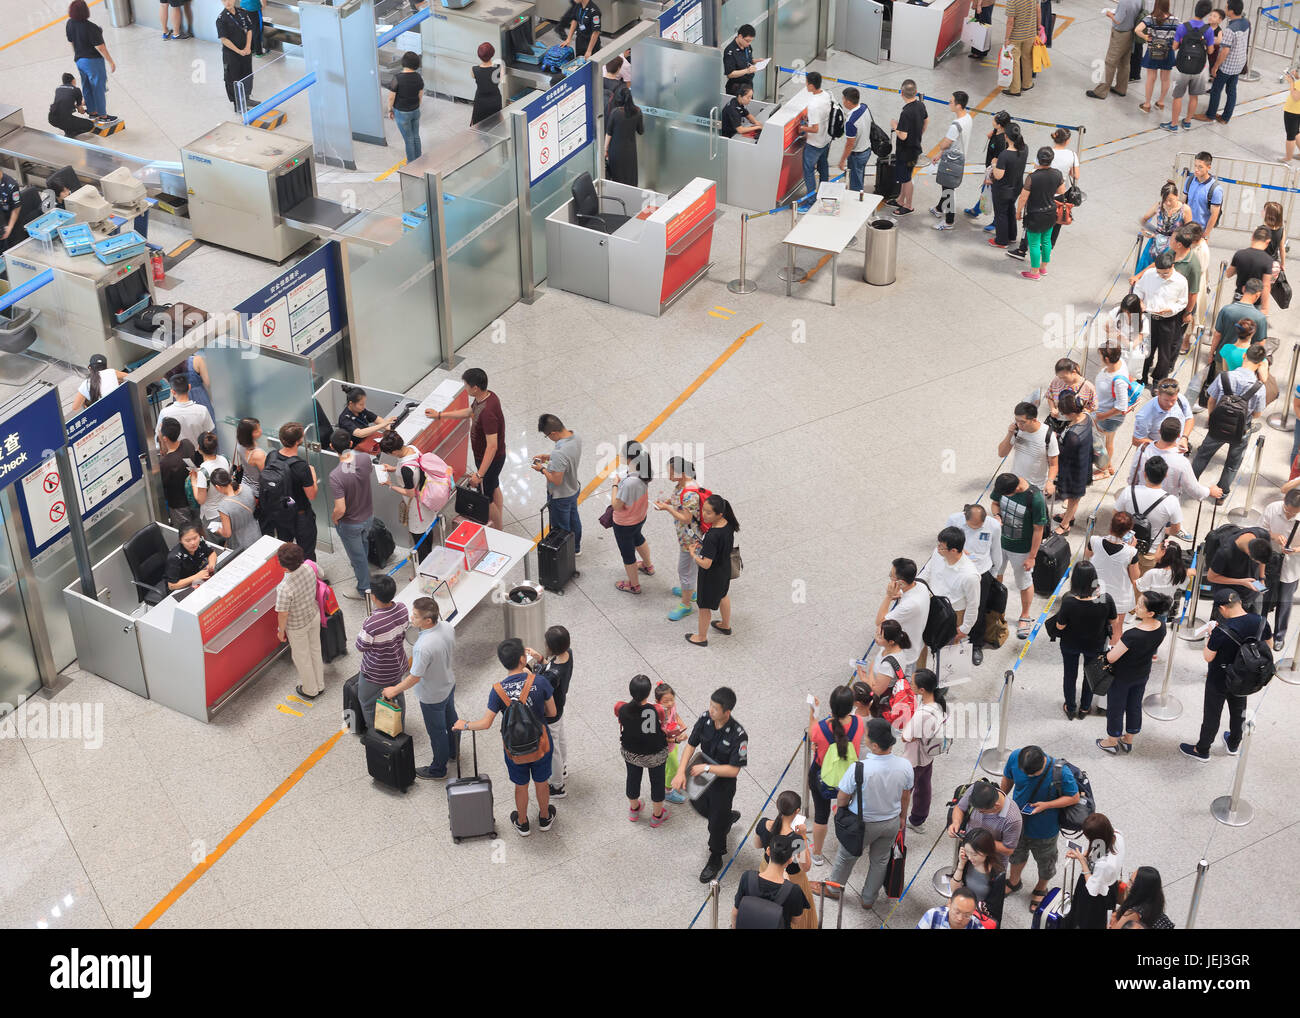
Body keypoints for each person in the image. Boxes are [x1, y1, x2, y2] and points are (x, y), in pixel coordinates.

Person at [454, 638, 557, 836]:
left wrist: (464, 725)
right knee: (542, 782)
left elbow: (485, 723)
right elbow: (551, 712)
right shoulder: (540, 682)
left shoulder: (497, 690)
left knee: (521, 785)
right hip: (541, 744)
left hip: (514, 748)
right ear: (522, 659)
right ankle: (544, 817)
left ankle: (523, 822)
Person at [813, 718, 912, 909]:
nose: (863, 737)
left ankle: (834, 889)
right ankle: (868, 899)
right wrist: (901, 817)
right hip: (891, 822)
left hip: (861, 824)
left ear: (874, 745)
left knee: (846, 857)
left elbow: (842, 797)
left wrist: (839, 813)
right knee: (880, 860)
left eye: (866, 736)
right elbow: (905, 796)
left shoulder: (859, 768)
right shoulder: (905, 766)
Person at [1180, 588, 1270, 761]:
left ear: (1222, 608)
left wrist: (1209, 636)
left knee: (1212, 713)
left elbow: (1208, 657)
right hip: (1246, 676)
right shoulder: (1261, 621)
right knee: (1239, 710)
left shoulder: (1222, 630)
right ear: (1239, 602)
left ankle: (1203, 749)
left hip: (1219, 677)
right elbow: (1269, 646)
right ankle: (1234, 743)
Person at [672, 686, 748, 883]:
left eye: (715, 708)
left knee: (715, 825)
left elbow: (734, 769)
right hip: (701, 775)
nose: (711, 710)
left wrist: (707, 768)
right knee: (698, 804)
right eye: (710, 706)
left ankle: (716, 856)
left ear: (727, 712)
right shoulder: (706, 719)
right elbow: (691, 744)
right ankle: (725, 820)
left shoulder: (738, 736)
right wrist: (681, 771)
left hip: (722, 784)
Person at [1000, 745, 1080, 912]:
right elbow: (1008, 778)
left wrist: (1047, 805)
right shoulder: (1015, 757)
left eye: (1032, 775)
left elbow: (1074, 797)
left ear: (1043, 761)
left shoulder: (1061, 773)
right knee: (1016, 854)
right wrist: (1001, 798)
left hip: (1045, 830)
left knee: (1046, 861)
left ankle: (1041, 887)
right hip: (1018, 823)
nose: (1028, 776)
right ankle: (1014, 882)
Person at [425, 368, 506, 530]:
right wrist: (440, 415)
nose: (465, 388)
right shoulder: (487, 397)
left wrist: (479, 474)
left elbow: (492, 446)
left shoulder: (487, 413)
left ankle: (499, 529)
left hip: (489, 459)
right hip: (491, 458)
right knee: (493, 485)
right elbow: (470, 412)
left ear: (475, 387)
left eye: (466, 385)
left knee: (487, 498)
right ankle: (499, 517)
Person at [1097, 591, 1171, 754]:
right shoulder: (1162, 627)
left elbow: (1112, 658)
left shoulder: (1133, 635)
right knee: (1134, 705)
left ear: (1150, 612)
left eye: (1140, 606)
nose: (1136, 607)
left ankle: (1112, 740)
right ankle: (1128, 738)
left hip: (1122, 676)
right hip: (1142, 673)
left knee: (1116, 707)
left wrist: (1107, 653)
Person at [1193, 343, 1268, 498]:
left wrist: (1212, 417)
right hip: (1241, 430)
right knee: (1232, 464)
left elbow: (1211, 400)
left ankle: (1191, 485)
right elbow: (1257, 414)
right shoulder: (1259, 387)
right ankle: (1222, 494)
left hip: (1218, 424)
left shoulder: (1225, 376)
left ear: (1244, 355)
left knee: (1203, 455)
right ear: (1260, 364)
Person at [807, 685, 865, 864]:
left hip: (821, 776)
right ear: (851, 706)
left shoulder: (821, 728)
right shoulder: (859, 723)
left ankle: (817, 853)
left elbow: (812, 734)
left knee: (820, 815)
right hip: (848, 777)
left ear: (831, 705)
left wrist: (813, 712)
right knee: (846, 809)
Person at [1052, 560, 1117, 718]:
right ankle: (1085, 708)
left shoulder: (1068, 601)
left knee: (1069, 674)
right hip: (1095, 644)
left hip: (1070, 643)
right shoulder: (1105, 599)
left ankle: (1071, 707)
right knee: (1090, 675)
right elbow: (1113, 621)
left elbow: (1060, 626)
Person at [991, 472, 1049, 640]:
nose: (1003, 496)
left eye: (1006, 495)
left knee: (1024, 582)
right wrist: (997, 515)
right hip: (1000, 543)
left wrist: (1032, 556)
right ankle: (996, 610)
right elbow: (994, 503)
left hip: (1022, 549)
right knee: (995, 577)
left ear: (1017, 489)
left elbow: (1038, 530)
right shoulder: (1005, 483)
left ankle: (1025, 615)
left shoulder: (1035, 499)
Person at [946, 503, 1003, 666]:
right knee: (954, 606)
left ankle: (976, 644)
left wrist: (994, 574)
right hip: (957, 571)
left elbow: (996, 551)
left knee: (978, 608)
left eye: (980, 525)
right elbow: (943, 544)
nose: (977, 528)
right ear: (965, 517)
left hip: (980, 573)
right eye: (973, 525)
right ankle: (949, 639)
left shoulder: (993, 526)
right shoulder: (954, 520)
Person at [351, 574, 410, 730]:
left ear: (374, 597)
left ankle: (376, 734)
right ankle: (399, 727)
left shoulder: (372, 623)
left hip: (376, 673)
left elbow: (360, 646)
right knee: (397, 695)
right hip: (398, 665)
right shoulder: (403, 608)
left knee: (367, 702)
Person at [1008, 128, 1078, 260]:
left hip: (1038, 194)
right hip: (1057, 196)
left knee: (1029, 225)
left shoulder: (1045, 153)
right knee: (1055, 225)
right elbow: (1076, 175)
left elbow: (1035, 169)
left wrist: (1019, 211)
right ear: (1067, 141)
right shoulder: (1072, 156)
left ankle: (1022, 249)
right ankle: (1047, 250)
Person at [614, 674, 671, 828]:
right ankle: (657, 816)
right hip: (655, 754)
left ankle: (634, 809)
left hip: (631, 753)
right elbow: (663, 724)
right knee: (657, 782)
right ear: (648, 692)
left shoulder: (621, 708)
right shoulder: (656, 710)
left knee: (632, 779)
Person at [754, 792, 817, 928]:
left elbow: (757, 844)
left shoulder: (763, 824)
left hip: (766, 868)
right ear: (797, 811)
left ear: (778, 806)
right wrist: (803, 836)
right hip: (792, 879)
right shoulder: (796, 839)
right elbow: (805, 866)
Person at [653, 456, 704, 621]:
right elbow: (678, 502)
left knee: (685, 570)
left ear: (681, 473)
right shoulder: (682, 485)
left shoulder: (690, 493)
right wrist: (669, 502)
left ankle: (686, 605)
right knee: (689, 569)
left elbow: (686, 518)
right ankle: (689, 591)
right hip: (684, 536)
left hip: (691, 540)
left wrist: (668, 508)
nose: (667, 474)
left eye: (670, 471)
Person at [328, 430, 375, 601]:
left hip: (350, 522)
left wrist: (335, 517)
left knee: (357, 557)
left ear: (332, 447)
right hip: (368, 515)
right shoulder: (364, 458)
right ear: (349, 444)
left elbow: (340, 508)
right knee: (363, 544)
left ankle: (364, 589)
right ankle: (363, 569)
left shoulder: (336, 476)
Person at [275, 542, 325, 700]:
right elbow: (322, 574)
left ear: (283, 565)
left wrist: (280, 631)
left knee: (302, 657)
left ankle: (310, 689)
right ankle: (320, 684)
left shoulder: (284, 588)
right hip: (313, 614)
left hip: (297, 625)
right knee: (315, 649)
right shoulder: (309, 567)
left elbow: (283, 614)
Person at [526, 625, 572, 798]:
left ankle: (557, 786)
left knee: (552, 750)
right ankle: (563, 767)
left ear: (551, 647)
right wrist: (540, 659)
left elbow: (540, 686)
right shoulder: (568, 655)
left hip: (550, 714)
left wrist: (525, 671)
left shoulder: (552, 676)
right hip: (560, 706)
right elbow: (551, 667)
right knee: (560, 739)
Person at [261, 423, 319, 561]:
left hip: (280, 512)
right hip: (301, 515)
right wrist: (313, 474)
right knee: (307, 552)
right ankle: (310, 578)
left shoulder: (271, 456)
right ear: (299, 441)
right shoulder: (301, 466)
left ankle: (292, 572)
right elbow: (312, 495)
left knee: (286, 548)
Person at [732, 830, 811, 929]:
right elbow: (796, 920)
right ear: (790, 860)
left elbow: (735, 913)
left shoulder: (747, 877)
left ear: (768, 851)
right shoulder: (793, 891)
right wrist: (788, 884)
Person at [686, 494, 737, 646]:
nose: (704, 514)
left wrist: (693, 554)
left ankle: (701, 637)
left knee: (704, 606)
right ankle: (725, 625)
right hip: (724, 569)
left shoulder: (712, 536)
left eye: (709, 512)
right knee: (723, 595)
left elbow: (706, 564)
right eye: (704, 510)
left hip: (711, 576)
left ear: (719, 514)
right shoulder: (728, 524)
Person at [1133, 249, 1189, 385]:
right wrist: (1140, 301)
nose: (1162, 276)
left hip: (1168, 320)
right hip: (1149, 318)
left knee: (1165, 353)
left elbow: (1183, 302)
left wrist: (1171, 309)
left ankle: (1159, 381)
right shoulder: (1149, 275)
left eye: (1165, 273)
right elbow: (1138, 289)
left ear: (1172, 267)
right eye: (1159, 273)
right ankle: (1142, 378)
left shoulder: (1181, 281)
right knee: (1146, 350)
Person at [924, 528, 982, 659]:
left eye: (942, 547)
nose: (938, 548)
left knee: (947, 652)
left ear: (954, 550)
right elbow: (927, 572)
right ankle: (919, 676)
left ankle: (942, 679)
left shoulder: (970, 575)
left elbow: (973, 604)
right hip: (932, 605)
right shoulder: (937, 553)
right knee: (921, 641)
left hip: (953, 614)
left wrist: (964, 628)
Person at [1115, 456, 1183, 567]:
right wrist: (1162, 530)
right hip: (1150, 550)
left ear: (1145, 474)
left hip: (1125, 545)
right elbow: (1175, 530)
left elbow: (1116, 515)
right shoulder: (1171, 501)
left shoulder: (1129, 491)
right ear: (1165, 475)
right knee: (1141, 582)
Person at [902, 669, 947, 831]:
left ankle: (899, 821)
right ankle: (918, 819)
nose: (910, 684)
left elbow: (905, 737)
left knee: (905, 792)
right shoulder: (938, 702)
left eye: (912, 683)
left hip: (915, 759)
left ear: (922, 690)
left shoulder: (922, 714)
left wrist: (910, 730)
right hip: (928, 755)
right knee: (924, 786)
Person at [1061, 814, 1125, 928]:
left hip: (1098, 894)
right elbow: (1100, 848)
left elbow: (1092, 887)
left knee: (1089, 919)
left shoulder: (1104, 865)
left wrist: (1082, 860)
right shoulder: (1117, 835)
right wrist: (1085, 854)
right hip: (1108, 882)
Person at [377, 430, 433, 559]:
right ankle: (429, 558)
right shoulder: (412, 449)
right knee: (428, 531)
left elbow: (410, 493)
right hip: (426, 497)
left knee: (419, 539)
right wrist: (392, 468)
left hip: (416, 508)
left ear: (394, 452)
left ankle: (422, 567)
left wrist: (390, 485)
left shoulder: (406, 470)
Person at [1087, 511, 1140, 646]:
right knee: (1117, 629)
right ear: (1128, 531)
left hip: (1097, 592)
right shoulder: (1131, 552)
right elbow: (1135, 577)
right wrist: (1130, 548)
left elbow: (1087, 558)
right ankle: (1110, 660)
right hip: (1120, 596)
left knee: (1094, 625)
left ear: (1110, 526)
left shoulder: (1094, 541)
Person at [1161, 1, 1215, 131]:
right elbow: (1211, 51)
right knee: (1194, 96)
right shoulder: (1208, 30)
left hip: (1182, 67)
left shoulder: (1183, 27)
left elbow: (1174, 47)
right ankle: (1187, 122)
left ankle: (1173, 124)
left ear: (1195, 9)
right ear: (1206, 14)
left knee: (1178, 97)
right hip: (1199, 69)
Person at [608, 440, 654, 593]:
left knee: (627, 554)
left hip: (625, 523)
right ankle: (648, 566)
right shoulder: (644, 471)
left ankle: (634, 585)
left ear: (629, 459)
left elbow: (617, 505)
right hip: (640, 516)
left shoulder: (629, 483)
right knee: (638, 538)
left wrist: (615, 485)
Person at [534, 413, 582, 557]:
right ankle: (576, 548)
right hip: (573, 488)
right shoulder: (575, 436)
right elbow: (566, 461)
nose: (549, 438)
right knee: (574, 520)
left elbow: (556, 480)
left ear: (554, 433)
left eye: (547, 435)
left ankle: (564, 555)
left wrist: (542, 469)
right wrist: (549, 458)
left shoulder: (559, 452)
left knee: (561, 527)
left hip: (560, 496)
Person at [947, 779, 1023, 868]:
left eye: (982, 811)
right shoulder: (975, 790)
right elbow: (960, 808)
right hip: (968, 850)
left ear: (996, 806)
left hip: (992, 861)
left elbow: (1008, 849)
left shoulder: (1012, 819)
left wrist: (978, 841)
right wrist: (956, 823)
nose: (978, 812)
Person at [873, 557, 929, 672]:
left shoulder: (909, 605)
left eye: (891, 576)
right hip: (917, 641)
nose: (890, 578)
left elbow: (880, 622)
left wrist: (888, 596)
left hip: (903, 654)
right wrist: (901, 594)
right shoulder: (921, 586)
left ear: (901, 582)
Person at [1261, 489, 1300, 652]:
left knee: (1285, 602)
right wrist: (1274, 536)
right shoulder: (1272, 508)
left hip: (1291, 566)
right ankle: (1259, 630)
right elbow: (1259, 531)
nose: (1289, 515)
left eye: (1294, 513)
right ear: (1284, 500)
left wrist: (1296, 550)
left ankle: (1279, 636)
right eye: (1287, 510)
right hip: (1269, 562)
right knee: (1262, 599)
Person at [1051, 392, 1094, 535]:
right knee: (1074, 498)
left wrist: (1055, 440)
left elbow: (1063, 453)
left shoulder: (1074, 435)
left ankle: (1065, 526)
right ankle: (1069, 516)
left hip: (1074, 471)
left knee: (1074, 498)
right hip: (1083, 463)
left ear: (1070, 413)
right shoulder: (1086, 417)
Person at [66, 1, 114, 124]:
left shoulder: (69, 23)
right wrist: (111, 62)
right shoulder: (91, 27)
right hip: (93, 62)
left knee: (86, 86)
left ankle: (92, 113)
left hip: (79, 60)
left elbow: (71, 41)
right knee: (98, 88)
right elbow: (101, 47)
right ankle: (103, 116)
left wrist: (76, 56)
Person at [1201, 0, 1248, 123]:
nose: (1225, 9)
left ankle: (1210, 115)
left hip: (1227, 66)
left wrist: (1216, 66)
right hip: (1239, 63)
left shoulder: (1230, 29)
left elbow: (1224, 51)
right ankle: (1225, 117)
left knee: (1216, 90)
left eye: (1226, 8)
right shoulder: (1246, 23)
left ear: (1231, 11)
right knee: (1231, 90)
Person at [929, 91, 971, 231]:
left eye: (951, 101)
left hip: (952, 162)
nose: (949, 103)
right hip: (959, 157)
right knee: (947, 186)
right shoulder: (968, 118)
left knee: (948, 190)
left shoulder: (955, 125)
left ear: (958, 106)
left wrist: (941, 149)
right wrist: (940, 154)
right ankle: (939, 208)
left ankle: (948, 221)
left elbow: (945, 144)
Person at [997, 400, 1058, 493]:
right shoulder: (1016, 430)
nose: (1019, 424)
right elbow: (1001, 453)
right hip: (1015, 484)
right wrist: (1009, 434)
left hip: (1036, 487)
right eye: (1016, 420)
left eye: (1022, 422)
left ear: (1034, 420)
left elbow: (1054, 465)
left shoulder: (1048, 436)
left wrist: (1050, 482)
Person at [1087, 0, 1144, 99]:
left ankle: (1101, 92)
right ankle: (1121, 88)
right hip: (1130, 32)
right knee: (1124, 62)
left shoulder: (1124, 2)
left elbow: (1118, 20)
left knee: (1110, 62)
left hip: (1120, 35)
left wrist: (1108, 13)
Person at [950, 827, 1007, 926]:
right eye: (967, 852)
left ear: (987, 852)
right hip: (963, 908)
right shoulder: (967, 862)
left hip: (978, 916)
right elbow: (954, 890)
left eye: (975, 854)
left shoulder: (998, 875)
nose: (970, 857)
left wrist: (967, 909)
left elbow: (994, 908)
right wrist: (961, 865)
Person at [888, 79, 927, 217]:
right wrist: (919, 133)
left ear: (901, 93)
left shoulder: (906, 113)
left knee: (906, 178)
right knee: (905, 176)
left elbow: (903, 136)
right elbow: (926, 120)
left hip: (906, 152)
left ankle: (908, 205)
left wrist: (895, 127)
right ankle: (900, 199)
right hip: (915, 149)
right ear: (915, 92)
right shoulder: (920, 105)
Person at [1136, 180, 1191, 273]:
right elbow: (1144, 220)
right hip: (1155, 244)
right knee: (1145, 271)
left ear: (1177, 197)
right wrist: (1152, 232)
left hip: (1173, 245)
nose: (1168, 203)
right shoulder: (1159, 205)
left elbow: (1189, 231)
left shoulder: (1185, 209)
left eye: (1171, 200)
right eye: (1165, 200)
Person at [1094, 346, 1132, 476]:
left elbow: (1122, 406)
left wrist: (1101, 416)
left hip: (1109, 417)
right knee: (1108, 441)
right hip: (1104, 413)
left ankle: (1103, 469)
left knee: (1102, 444)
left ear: (1106, 359)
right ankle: (1108, 465)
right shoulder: (1120, 362)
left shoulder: (1119, 381)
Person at [797, 72, 833, 208]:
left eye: (806, 83)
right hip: (826, 139)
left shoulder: (813, 105)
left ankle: (810, 201)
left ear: (811, 85)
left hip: (815, 143)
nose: (805, 85)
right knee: (823, 166)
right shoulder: (826, 95)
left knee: (808, 170)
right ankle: (825, 193)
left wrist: (802, 128)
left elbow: (815, 129)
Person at [200, 468, 258, 551]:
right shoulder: (246, 488)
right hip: (255, 533)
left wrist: (217, 529)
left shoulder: (224, 506)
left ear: (217, 487)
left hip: (239, 543)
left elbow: (227, 533)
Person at [1137, 0, 1180, 112]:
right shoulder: (1174, 20)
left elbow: (1137, 30)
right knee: (1165, 79)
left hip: (1152, 51)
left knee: (1151, 78)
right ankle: (1160, 102)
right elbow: (1181, 35)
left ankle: (1147, 105)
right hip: (1168, 52)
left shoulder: (1150, 18)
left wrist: (1145, 37)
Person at [154, 372, 214, 452]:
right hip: (199, 455)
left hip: (176, 457)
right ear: (189, 387)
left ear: (172, 391)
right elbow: (208, 434)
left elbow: (159, 436)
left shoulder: (165, 413)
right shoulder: (202, 410)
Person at [989, 122, 1025, 249]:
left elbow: (998, 175)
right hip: (1016, 186)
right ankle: (1011, 236)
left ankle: (1001, 240)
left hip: (1003, 189)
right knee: (1010, 209)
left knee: (1001, 213)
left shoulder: (1005, 154)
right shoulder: (1024, 148)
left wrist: (994, 164)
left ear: (1006, 136)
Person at [1131, 378, 1194, 451]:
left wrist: (1184, 438)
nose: (1170, 404)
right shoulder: (1145, 415)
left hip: (1177, 450)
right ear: (1158, 394)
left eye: (1173, 400)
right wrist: (1165, 446)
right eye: (1166, 400)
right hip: (1156, 454)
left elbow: (1189, 418)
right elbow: (1136, 440)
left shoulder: (1181, 399)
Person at [1227, 226, 1278, 313]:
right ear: (1268, 241)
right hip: (1255, 302)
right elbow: (1266, 286)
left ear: (1252, 237)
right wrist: (1265, 308)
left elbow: (1229, 274)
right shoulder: (1268, 260)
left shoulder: (1240, 254)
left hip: (1239, 298)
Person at [158, 418, 197, 528]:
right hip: (194, 497)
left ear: (165, 438)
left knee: (185, 532)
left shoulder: (166, 463)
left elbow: (162, 485)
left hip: (178, 505)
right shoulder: (187, 444)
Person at [217, 0, 255, 112]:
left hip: (245, 51)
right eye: (224, 0)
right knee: (234, 78)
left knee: (247, 75)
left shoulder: (242, 12)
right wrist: (238, 51)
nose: (227, 2)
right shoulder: (221, 19)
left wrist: (248, 47)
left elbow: (249, 30)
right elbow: (224, 39)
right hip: (232, 55)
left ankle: (246, 98)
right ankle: (238, 105)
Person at [386, 51, 424, 164]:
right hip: (415, 111)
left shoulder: (397, 78)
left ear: (403, 63)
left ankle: (411, 164)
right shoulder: (418, 77)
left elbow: (391, 98)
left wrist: (389, 110)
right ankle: (419, 160)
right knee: (416, 136)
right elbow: (420, 95)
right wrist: (416, 105)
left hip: (402, 113)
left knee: (409, 139)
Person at [1111, 866, 1176, 928]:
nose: (1127, 884)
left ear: (1140, 889)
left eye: (1131, 882)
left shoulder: (1134, 913)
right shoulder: (1154, 909)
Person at [604, 86, 643, 186]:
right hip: (630, 150)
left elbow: (609, 133)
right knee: (630, 175)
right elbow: (640, 131)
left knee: (617, 176)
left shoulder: (615, 113)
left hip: (615, 150)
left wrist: (605, 149)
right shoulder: (637, 112)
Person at [833, 87, 870, 192]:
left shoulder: (850, 122)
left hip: (857, 155)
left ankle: (858, 202)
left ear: (848, 102)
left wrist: (842, 160)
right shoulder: (864, 107)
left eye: (843, 99)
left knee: (855, 186)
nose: (843, 101)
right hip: (867, 150)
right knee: (860, 176)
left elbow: (850, 144)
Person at [1106, 293, 1150, 380]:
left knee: (1126, 379)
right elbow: (1107, 327)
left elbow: (1133, 345)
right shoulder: (1116, 311)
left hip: (1130, 356)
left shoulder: (1144, 320)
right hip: (1115, 351)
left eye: (1128, 312)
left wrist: (1120, 337)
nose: (1125, 313)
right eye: (1124, 310)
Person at [1182, 152, 1225, 240]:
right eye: (1195, 166)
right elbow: (1183, 203)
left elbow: (1214, 215)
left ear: (1208, 167)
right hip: (1184, 228)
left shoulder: (1216, 189)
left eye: (1200, 167)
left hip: (1199, 232)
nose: (1196, 170)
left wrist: (1205, 235)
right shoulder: (1189, 180)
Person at [1002, 0, 1040, 96]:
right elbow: (1038, 10)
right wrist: (1038, 27)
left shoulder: (1012, 1)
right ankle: (1027, 84)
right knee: (1027, 58)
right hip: (1030, 33)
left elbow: (1010, 22)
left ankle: (1015, 89)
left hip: (1016, 36)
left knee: (1015, 61)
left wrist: (1007, 38)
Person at [657, 682, 688, 803]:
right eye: (666, 701)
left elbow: (676, 715)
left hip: (673, 743)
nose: (670, 704)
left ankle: (665, 783)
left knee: (669, 767)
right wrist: (676, 739)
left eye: (672, 700)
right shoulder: (659, 716)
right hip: (665, 747)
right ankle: (668, 792)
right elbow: (660, 737)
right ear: (658, 701)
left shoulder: (672, 707)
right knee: (675, 767)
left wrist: (681, 726)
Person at [164, 524, 217, 591]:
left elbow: (211, 553)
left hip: (197, 579)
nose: (193, 543)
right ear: (181, 541)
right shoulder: (174, 557)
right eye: (188, 540)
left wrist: (211, 565)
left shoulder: (200, 542)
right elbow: (172, 586)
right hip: (181, 587)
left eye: (195, 538)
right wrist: (196, 577)